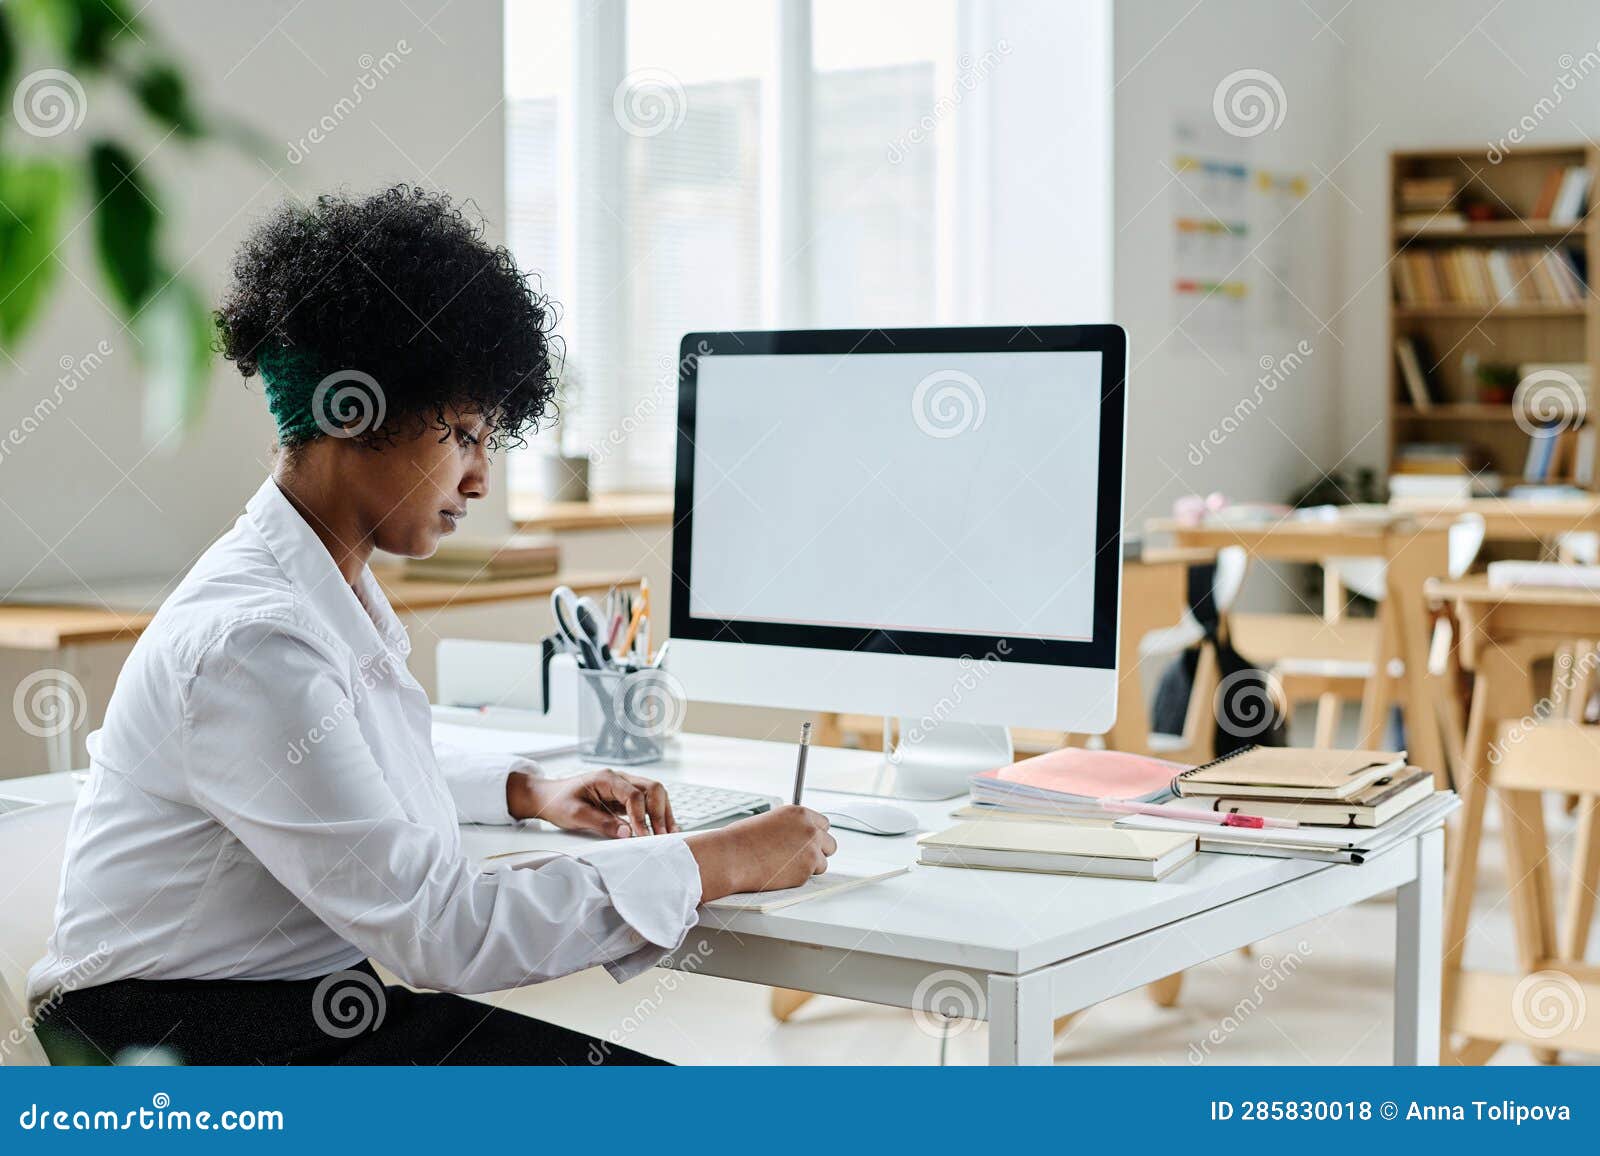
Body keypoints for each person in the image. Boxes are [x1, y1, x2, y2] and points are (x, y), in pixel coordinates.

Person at [27, 185, 836, 1066]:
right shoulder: (253, 643)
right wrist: (724, 860)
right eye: (461, 433)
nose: (481, 479)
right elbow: (441, 931)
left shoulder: (310, 593)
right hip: (178, 1051)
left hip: (281, 1014)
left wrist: (527, 789)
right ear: (353, 413)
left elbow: (340, 772)